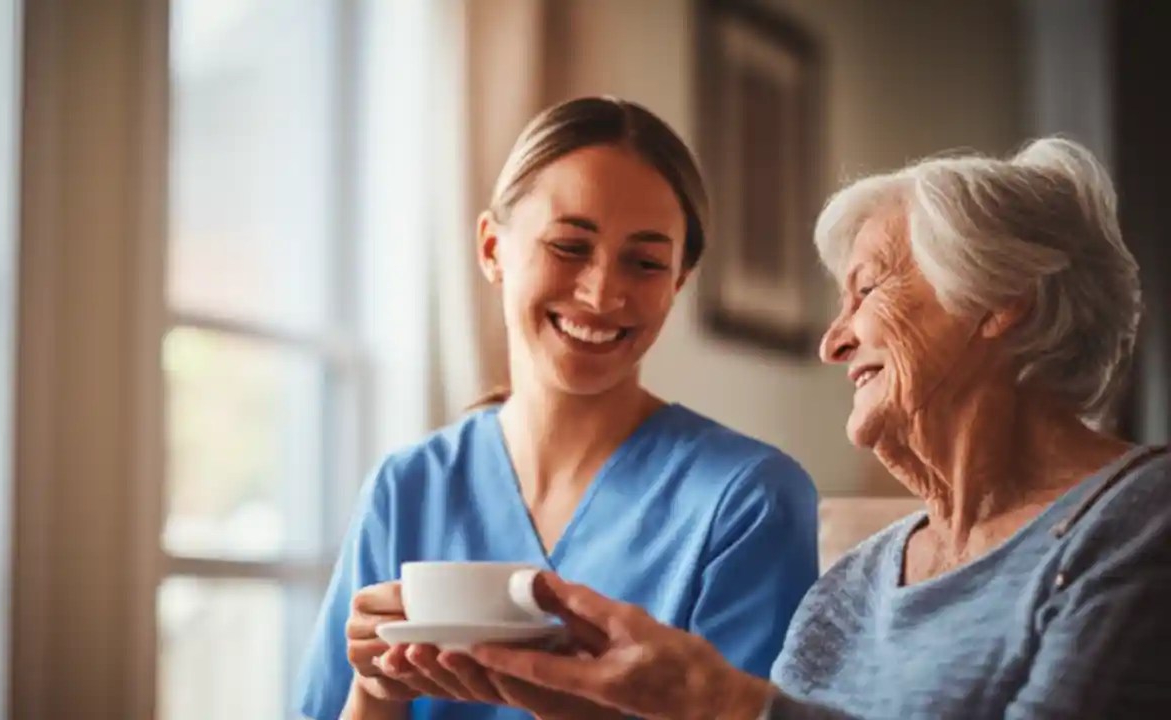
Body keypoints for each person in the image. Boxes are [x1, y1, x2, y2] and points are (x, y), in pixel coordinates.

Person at [460, 137, 1171, 719]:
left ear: (999, 300)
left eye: (868, 289)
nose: (833, 342)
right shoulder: (856, 581)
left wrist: (724, 705)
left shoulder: (1142, 523)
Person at [294, 96, 819, 720]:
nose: (601, 293)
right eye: (570, 246)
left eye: (645, 263)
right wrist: (377, 688)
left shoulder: (748, 502)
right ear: (492, 248)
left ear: (678, 281)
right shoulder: (407, 488)